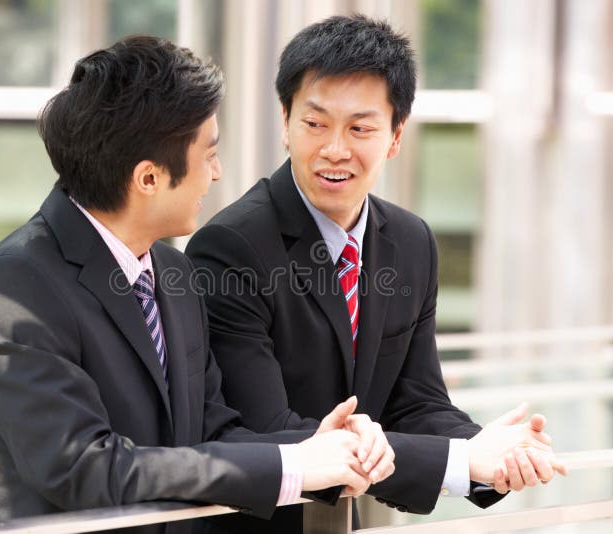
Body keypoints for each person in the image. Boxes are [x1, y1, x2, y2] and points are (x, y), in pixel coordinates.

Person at [0, 35, 396, 534]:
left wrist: (316, 448)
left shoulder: (173, 271)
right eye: (208, 155)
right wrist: (291, 467)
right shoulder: (15, 288)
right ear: (148, 178)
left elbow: (211, 431)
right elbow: (84, 468)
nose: (217, 173)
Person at [186, 14, 566, 533]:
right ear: (285, 121)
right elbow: (267, 428)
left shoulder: (411, 242)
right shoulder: (232, 247)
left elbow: (417, 401)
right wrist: (461, 461)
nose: (335, 149)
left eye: (360, 128)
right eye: (315, 124)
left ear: (395, 135)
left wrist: (489, 451)